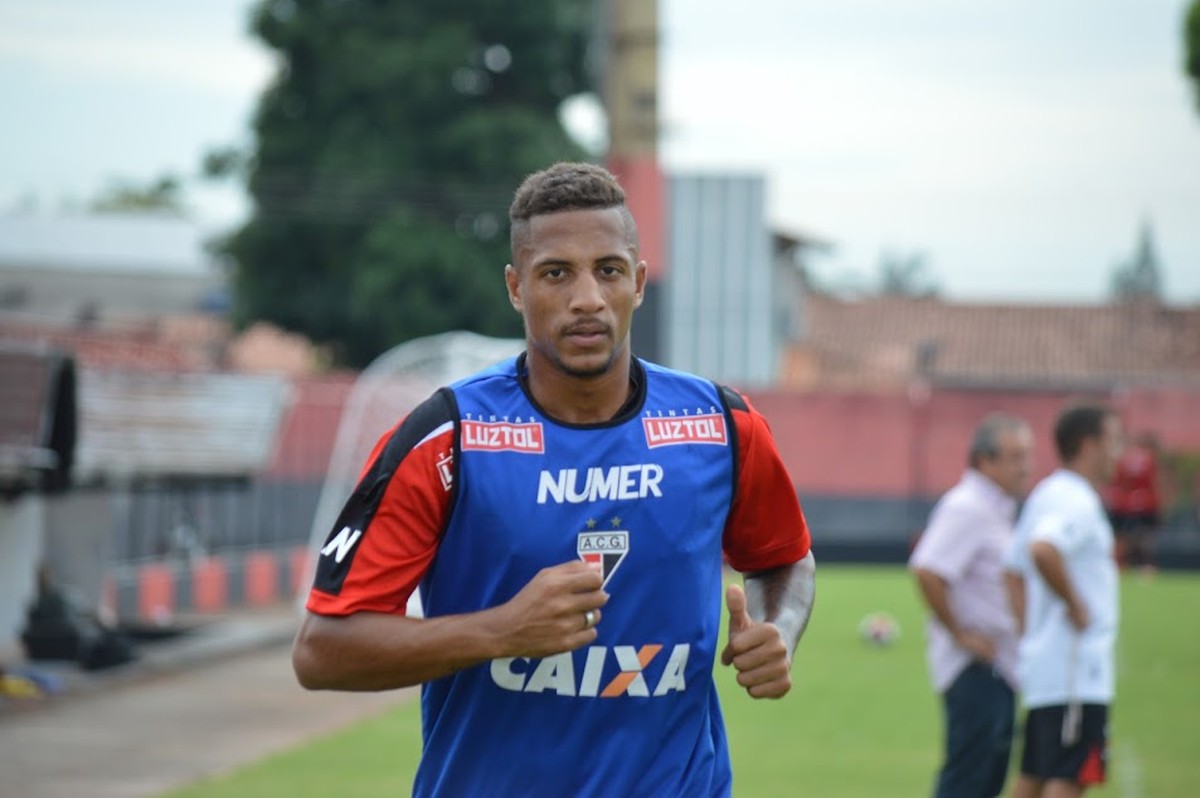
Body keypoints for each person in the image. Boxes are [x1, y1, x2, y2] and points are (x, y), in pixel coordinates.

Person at [292, 162, 817, 797]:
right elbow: (322, 651)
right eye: (556, 273)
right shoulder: (447, 439)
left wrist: (777, 630)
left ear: (639, 283)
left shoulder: (720, 426)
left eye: (609, 269)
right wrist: (500, 631)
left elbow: (785, 559)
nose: (588, 298)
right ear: (516, 287)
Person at [909, 413, 1035, 798]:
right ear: (985, 461)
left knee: (987, 779)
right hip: (975, 669)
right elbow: (928, 570)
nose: (1025, 467)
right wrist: (961, 635)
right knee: (968, 781)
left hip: (999, 666)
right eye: (1015, 457)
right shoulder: (968, 507)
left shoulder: (995, 509)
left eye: (1026, 456)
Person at [1005, 403, 1123, 798]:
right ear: (1088, 445)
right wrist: (1076, 605)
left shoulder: (1046, 493)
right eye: (1113, 441)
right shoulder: (1077, 500)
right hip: (1077, 672)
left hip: (1049, 668)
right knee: (1069, 776)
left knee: (1035, 775)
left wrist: (1031, 635)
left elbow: (1012, 570)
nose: (1118, 452)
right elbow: (1042, 551)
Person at [1105, 431, 1163, 574]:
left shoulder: (1125, 459)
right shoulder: (1146, 460)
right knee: (1138, 538)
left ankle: (1125, 565)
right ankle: (1141, 566)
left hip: (1127, 505)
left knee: (1128, 538)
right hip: (1136, 506)